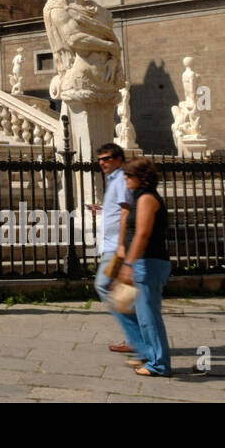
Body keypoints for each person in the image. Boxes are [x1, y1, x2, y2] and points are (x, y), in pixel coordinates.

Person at [116, 157, 173, 377]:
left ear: (141, 178)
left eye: (128, 175)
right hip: (144, 262)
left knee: (149, 316)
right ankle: (151, 356)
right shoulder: (139, 197)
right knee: (141, 314)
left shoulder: (147, 199)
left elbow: (143, 233)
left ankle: (159, 364)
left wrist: (129, 262)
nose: (125, 178)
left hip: (149, 262)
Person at [88, 143, 141, 358]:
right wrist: (101, 210)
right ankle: (136, 335)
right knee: (115, 289)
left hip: (115, 246)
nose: (102, 162)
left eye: (107, 158)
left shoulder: (120, 179)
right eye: (100, 159)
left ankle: (135, 338)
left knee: (103, 286)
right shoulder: (115, 180)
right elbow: (119, 208)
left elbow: (126, 211)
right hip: (111, 244)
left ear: (119, 159)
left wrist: (121, 245)